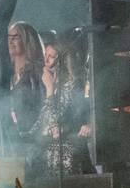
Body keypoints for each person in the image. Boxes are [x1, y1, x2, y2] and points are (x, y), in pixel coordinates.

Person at [31, 33, 91, 178]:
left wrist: (50, 90)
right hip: (49, 154)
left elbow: (55, 119)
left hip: (68, 155)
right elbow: (42, 120)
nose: (46, 60)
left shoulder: (72, 85)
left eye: (51, 56)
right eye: (45, 54)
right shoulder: (47, 83)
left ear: (62, 60)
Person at [5, 21, 45, 157]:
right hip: (12, 142)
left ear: (27, 40)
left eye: (16, 37)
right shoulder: (6, 74)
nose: (11, 41)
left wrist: (33, 134)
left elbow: (45, 106)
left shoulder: (37, 72)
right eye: (9, 37)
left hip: (32, 143)